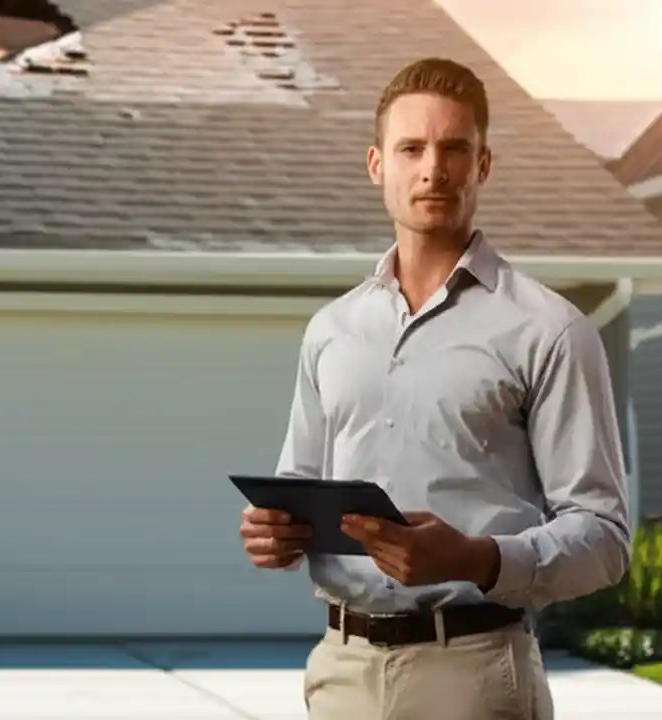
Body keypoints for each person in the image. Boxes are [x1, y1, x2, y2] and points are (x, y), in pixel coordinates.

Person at [238, 57, 632, 720]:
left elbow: (604, 539)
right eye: (411, 148)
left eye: (455, 149)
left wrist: (479, 559)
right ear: (376, 164)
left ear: (483, 164)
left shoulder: (550, 330)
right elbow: (298, 485)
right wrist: (274, 533)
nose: (433, 169)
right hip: (342, 673)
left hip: (473, 674)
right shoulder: (332, 330)